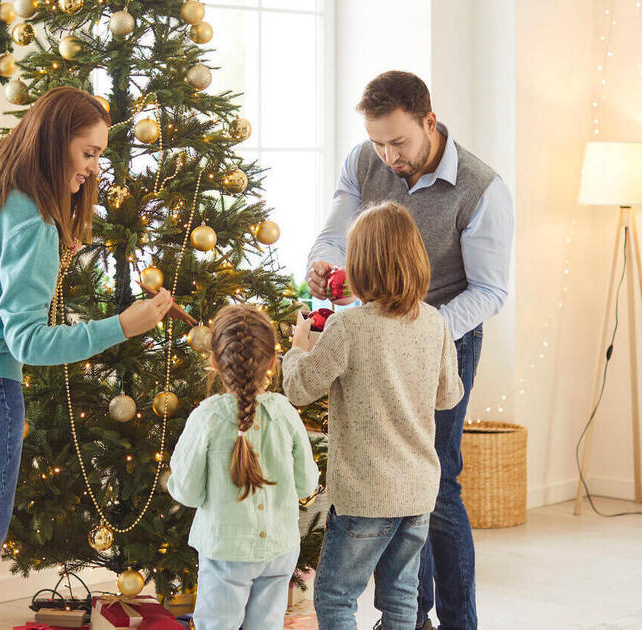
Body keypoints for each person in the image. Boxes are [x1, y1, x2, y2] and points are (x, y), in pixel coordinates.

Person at [0, 86, 174, 630]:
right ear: (55, 142)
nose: (94, 170)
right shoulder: (31, 214)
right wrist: (125, 324)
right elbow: (28, 342)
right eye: (88, 153)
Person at [306, 71, 513, 630]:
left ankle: (458, 621)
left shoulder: (482, 189)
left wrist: (421, 329)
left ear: (429, 121)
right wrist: (321, 264)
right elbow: (334, 230)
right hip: (375, 329)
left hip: (446, 333)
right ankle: (408, 618)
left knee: (436, 482)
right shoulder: (365, 158)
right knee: (397, 483)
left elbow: (490, 290)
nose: (387, 155)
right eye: (377, 142)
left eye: (398, 142)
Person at [284, 201, 464, 630]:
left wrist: (298, 346)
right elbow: (448, 396)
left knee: (335, 596)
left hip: (365, 496)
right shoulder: (435, 323)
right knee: (402, 598)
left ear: (360, 266)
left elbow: (298, 388)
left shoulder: (349, 328)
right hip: (418, 493)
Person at [167, 305, 320, 630]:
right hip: (279, 549)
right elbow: (308, 484)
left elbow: (188, 492)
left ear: (214, 361)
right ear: (270, 362)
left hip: (225, 549)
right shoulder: (285, 413)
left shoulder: (207, 417)